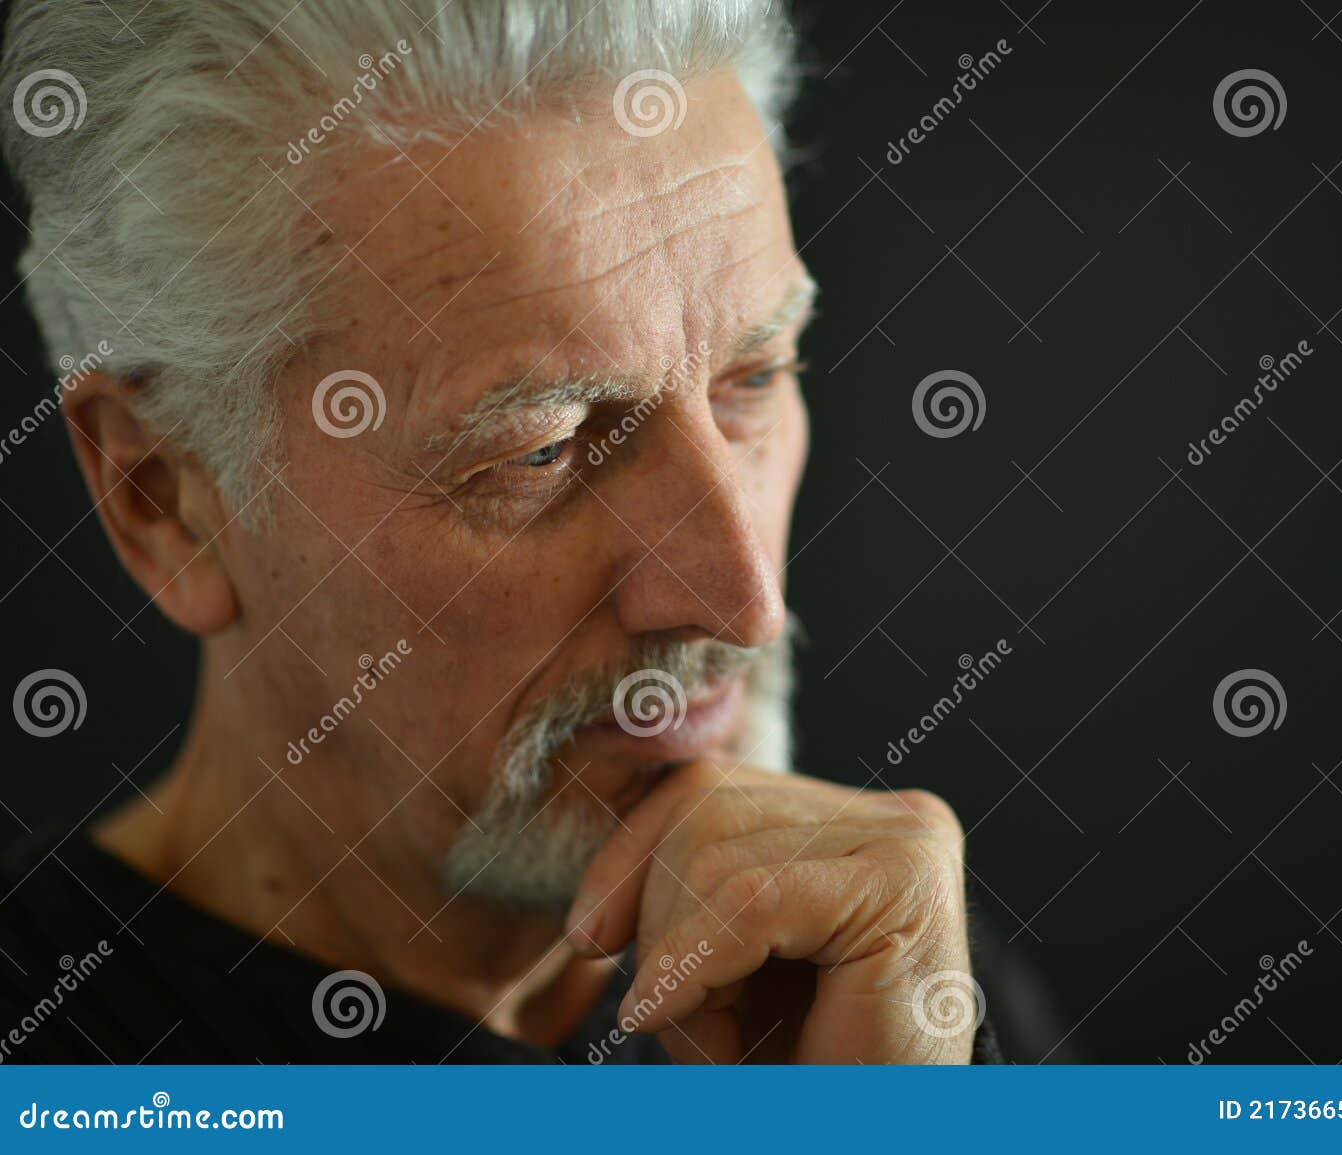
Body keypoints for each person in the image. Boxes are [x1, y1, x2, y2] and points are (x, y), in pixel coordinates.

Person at [0, 0, 1042, 1064]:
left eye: (755, 377)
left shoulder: (878, 981)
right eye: (539, 451)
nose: (743, 599)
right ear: (163, 499)